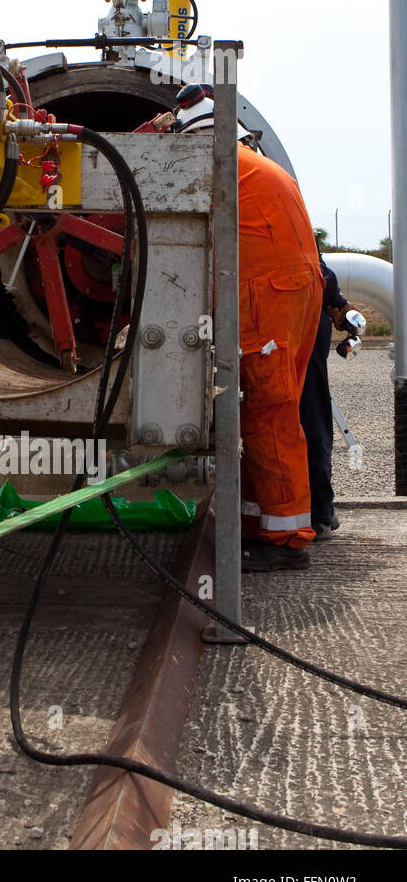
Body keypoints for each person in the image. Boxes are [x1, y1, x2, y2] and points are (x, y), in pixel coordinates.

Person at [173, 85, 323, 571]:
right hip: (290, 290)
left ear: (194, 136)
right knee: (269, 409)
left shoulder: (217, 163)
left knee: (266, 413)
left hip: (265, 295)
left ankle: (288, 540)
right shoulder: (255, 165)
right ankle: (261, 525)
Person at [299, 251, 351, 541]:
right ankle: (318, 510)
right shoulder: (286, 207)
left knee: (304, 410)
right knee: (311, 410)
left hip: (289, 311)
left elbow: (312, 267)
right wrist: (336, 300)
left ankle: (315, 511)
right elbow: (315, 268)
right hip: (304, 308)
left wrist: (333, 299)